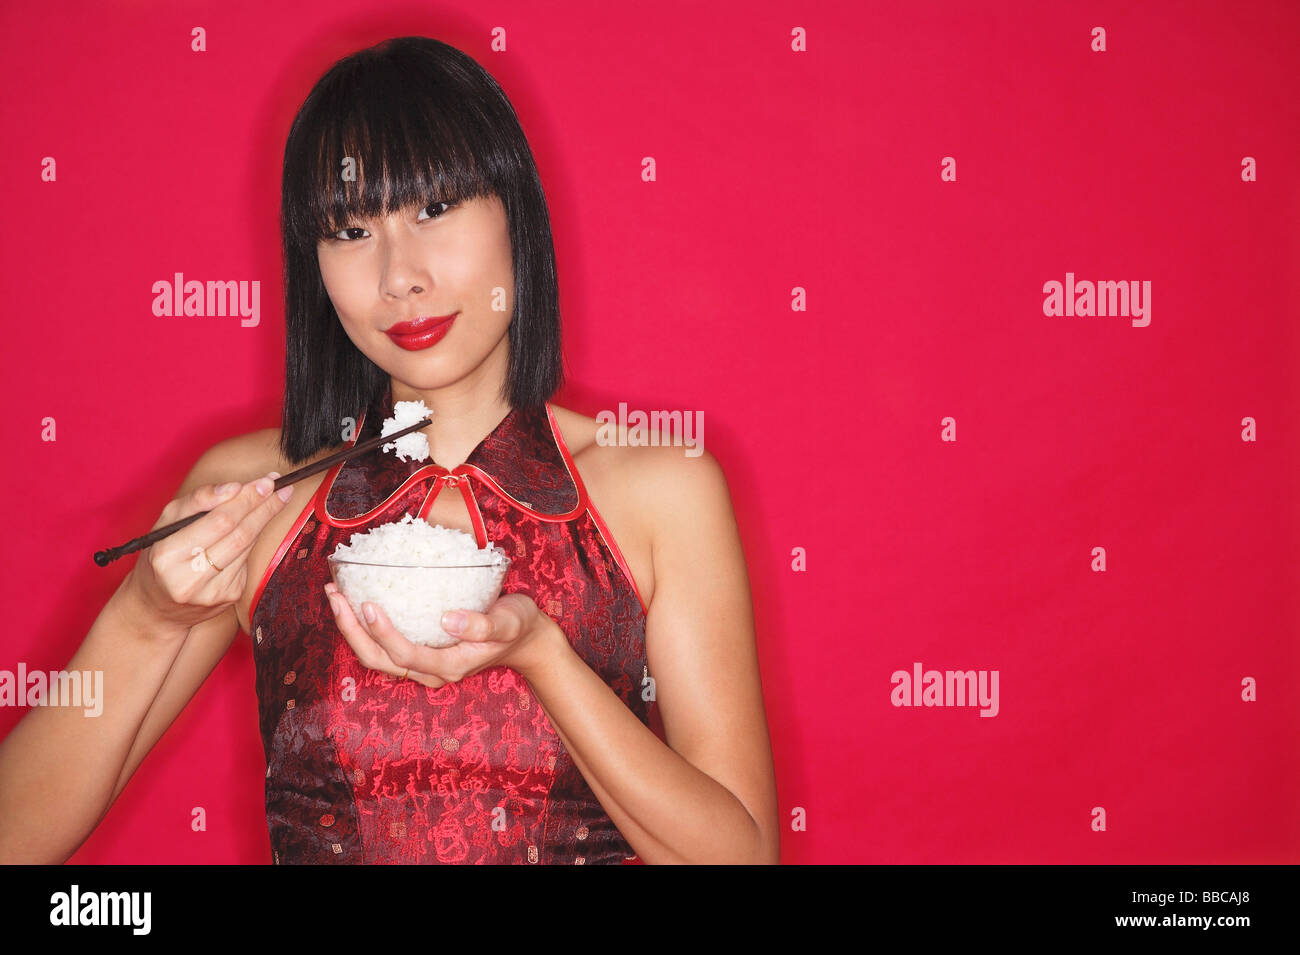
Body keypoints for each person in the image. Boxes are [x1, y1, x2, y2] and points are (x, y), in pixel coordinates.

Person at [0, 35, 779, 864]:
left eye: (433, 209)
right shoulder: (258, 495)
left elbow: (742, 856)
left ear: (516, 208)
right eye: (349, 230)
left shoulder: (658, 489)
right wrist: (147, 618)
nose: (399, 275)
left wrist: (543, 656)